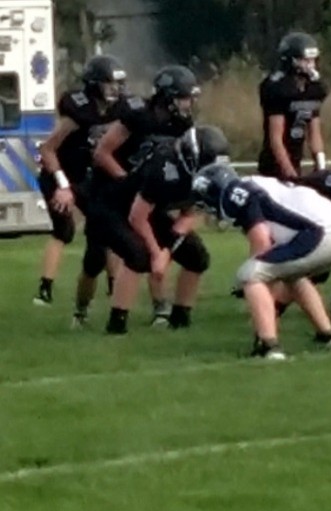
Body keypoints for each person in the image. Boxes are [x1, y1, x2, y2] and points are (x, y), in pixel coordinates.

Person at [75, 65, 201, 327]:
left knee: (192, 254)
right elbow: (102, 153)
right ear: (169, 96)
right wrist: (126, 182)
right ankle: (85, 313)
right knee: (100, 259)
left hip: (144, 198)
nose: (189, 104)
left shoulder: (181, 124)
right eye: (185, 97)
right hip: (109, 198)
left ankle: (170, 314)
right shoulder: (138, 116)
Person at [192, 164, 331, 360]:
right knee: (291, 274)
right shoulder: (257, 183)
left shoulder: (234, 193)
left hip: (321, 235)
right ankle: (328, 336)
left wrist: (260, 289)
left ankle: (268, 345)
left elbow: (261, 240)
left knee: (250, 275)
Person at [101, 126, 228, 335]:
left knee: (196, 256)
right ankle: (117, 323)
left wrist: (166, 251)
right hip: (117, 208)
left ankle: (180, 319)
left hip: (150, 212)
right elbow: (137, 217)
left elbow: (189, 215)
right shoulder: (163, 169)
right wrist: (155, 252)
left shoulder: (199, 176)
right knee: (138, 256)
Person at [33, 55, 127, 306]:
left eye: (118, 84)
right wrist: (62, 184)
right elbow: (47, 149)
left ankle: (114, 287)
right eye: (109, 84)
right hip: (60, 173)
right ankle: (45, 288)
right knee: (64, 230)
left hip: (88, 177)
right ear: (95, 84)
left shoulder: (119, 110)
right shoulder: (78, 112)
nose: (115, 89)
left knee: (107, 227)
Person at [257, 32, 327, 179]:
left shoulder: (314, 88)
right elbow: (276, 139)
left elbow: (314, 134)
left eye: (312, 60)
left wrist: (321, 168)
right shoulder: (277, 88)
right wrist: (291, 175)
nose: (311, 65)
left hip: (296, 158)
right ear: (291, 60)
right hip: (274, 166)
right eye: (305, 60)